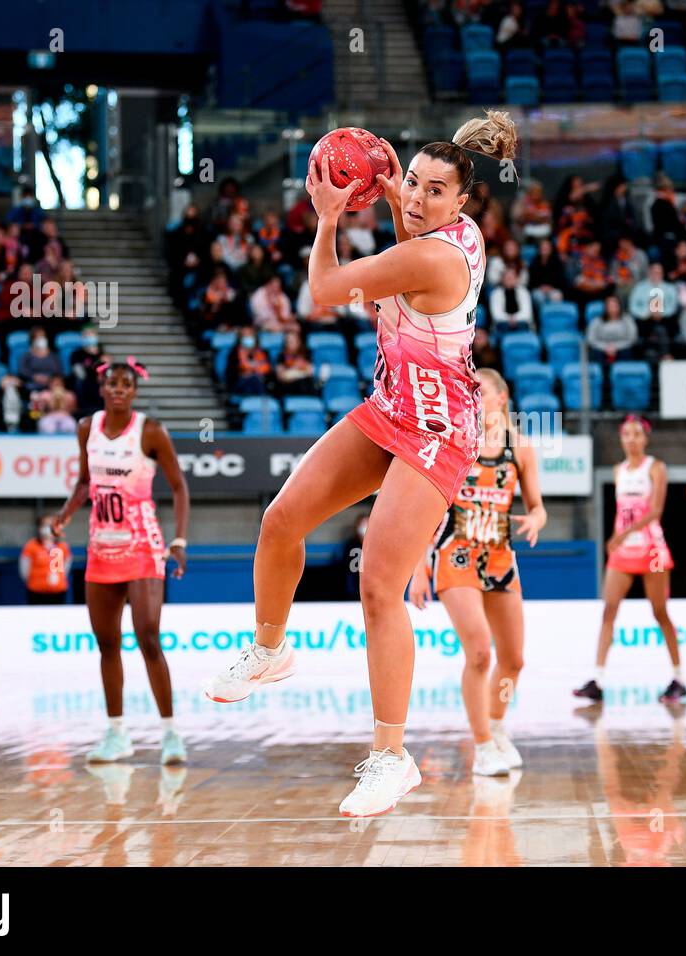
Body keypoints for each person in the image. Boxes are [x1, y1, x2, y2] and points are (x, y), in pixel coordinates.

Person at [201, 111, 519, 818]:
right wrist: (384, 185)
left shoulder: (436, 257)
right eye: (410, 182)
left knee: (380, 583)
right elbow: (406, 233)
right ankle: (269, 648)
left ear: (461, 204)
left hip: (439, 429)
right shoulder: (442, 234)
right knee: (282, 519)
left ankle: (391, 758)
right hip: (391, 406)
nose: (416, 197)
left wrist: (325, 217)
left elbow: (322, 292)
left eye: (435, 191)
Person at [52, 359, 191, 767]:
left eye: (125, 384)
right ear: (102, 387)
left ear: (134, 391)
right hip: (101, 547)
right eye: (111, 382)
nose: (118, 389)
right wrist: (65, 514)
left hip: (143, 545)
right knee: (107, 643)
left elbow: (179, 487)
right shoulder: (86, 429)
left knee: (148, 637)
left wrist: (179, 541)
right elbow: (84, 482)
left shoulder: (150, 431)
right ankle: (116, 734)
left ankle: (170, 734)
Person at [408, 370, 545, 776]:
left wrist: (536, 518)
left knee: (514, 659)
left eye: (480, 392)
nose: (473, 398)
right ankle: (482, 744)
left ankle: (498, 725)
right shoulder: (455, 443)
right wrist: (420, 569)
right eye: (469, 393)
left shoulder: (520, 448)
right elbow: (425, 515)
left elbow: (538, 505)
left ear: (501, 397)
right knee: (480, 653)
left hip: (501, 556)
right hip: (457, 554)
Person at [575, 416, 686, 704]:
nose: (632, 439)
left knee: (659, 612)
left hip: (651, 547)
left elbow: (655, 510)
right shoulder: (618, 470)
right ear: (621, 439)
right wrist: (618, 539)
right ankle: (597, 680)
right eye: (627, 434)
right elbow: (622, 512)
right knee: (608, 610)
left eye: (637, 434)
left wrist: (622, 536)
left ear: (645, 439)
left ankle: (679, 677)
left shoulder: (655, 467)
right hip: (625, 549)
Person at [18, 514, 71, 604]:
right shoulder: (31, 546)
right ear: (39, 528)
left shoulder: (62, 547)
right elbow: (24, 571)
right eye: (45, 525)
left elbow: (66, 568)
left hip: (58, 592)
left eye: (51, 525)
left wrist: (57, 579)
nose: (48, 528)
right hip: (36, 592)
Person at [586, 294, 639, 362]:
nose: (613, 308)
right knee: (595, 354)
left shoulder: (628, 319)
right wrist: (605, 347)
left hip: (623, 348)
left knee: (627, 353)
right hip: (601, 349)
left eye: (615, 305)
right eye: (610, 306)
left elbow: (632, 338)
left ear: (619, 306)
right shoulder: (597, 321)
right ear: (605, 307)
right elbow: (591, 339)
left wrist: (616, 347)